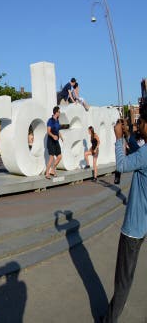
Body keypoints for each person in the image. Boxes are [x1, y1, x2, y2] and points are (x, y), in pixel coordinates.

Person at [102, 108, 147, 322]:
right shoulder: (144, 150)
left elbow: (122, 164)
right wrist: (127, 137)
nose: (139, 126)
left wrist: (118, 139)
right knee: (125, 277)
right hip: (142, 226)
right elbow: (135, 154)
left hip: (133, 228)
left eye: (142, 122)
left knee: (122, 280)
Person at [45, 106, 63, 179]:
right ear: (56, 112)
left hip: (56, 141)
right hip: (51, 141)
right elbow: (48, 131)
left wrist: (60, 136)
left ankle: (52, 170)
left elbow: (57, 130)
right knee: (51, 158)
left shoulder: (57, 120)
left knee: (59, 156)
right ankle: (47, 173)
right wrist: (53, 136)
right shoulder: (50, 120)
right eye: (59, 112)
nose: (60, 113)